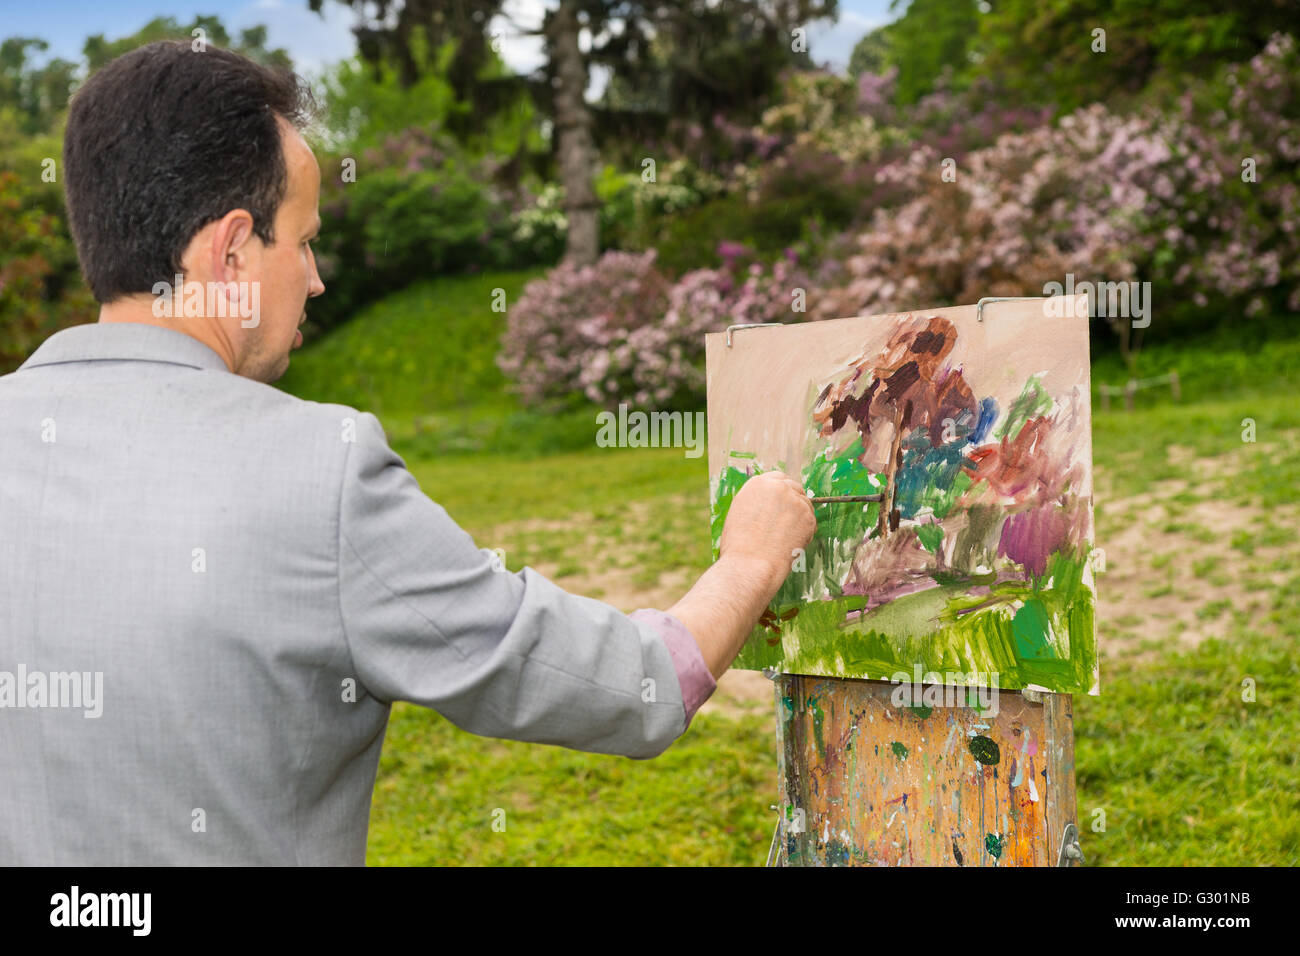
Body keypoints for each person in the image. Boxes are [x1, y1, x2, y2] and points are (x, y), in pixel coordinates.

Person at [0, 40, 815, 865]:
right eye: (304, 241)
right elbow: (628, 690)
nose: (316, 280)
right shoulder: (318, 470)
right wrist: (749, 560)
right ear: (233, 251)